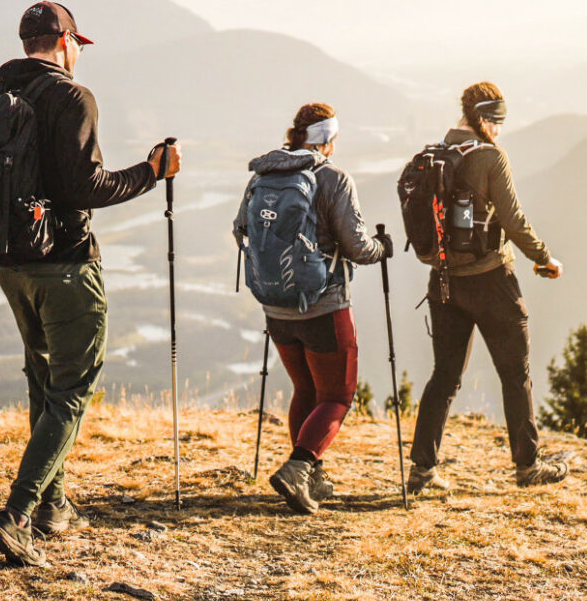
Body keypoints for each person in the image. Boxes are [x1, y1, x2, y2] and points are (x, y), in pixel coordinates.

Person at [0, 1, 180, 568]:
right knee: (72, 387)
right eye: (79, 46)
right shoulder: (71, 97)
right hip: (65, 263)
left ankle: (53, 504)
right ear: (66, 42)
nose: (79, 55)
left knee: (43, 379)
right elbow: (85, 187)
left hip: (11, 263)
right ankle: (18, 516)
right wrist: (153, 171)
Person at [408, 81, 566, 493]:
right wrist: (545, 258)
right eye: (498, 122)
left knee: (444, 376)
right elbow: (513, 221)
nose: (499, 131)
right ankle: (528, 467)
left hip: (443, 282)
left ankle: (422, 471)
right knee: (516, 373)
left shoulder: (434, 155)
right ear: (485, 119)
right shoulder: (490, 158)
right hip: (492, 280)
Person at [234, 102, 388, 514]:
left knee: (306, 389)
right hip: (325, 305)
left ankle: (310, 474)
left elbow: (240, 230)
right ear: (327, 139)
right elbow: (357, 246)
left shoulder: (262, 176)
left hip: (275, 306)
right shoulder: (333, 178)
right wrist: (381, 248)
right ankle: (300, 467)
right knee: (337, 394)